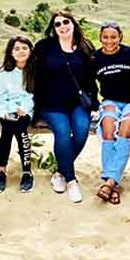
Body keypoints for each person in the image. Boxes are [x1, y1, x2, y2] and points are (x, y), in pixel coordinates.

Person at [33, 11, 98, 203]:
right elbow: (30, 70)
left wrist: (94, 103)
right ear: (53, 29)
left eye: (65, 22)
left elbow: (90, 79)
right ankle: (71, 181)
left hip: (77, 103)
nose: (62, 26)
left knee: (81, 130)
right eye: (57, 24)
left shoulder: (85, 47)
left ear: (73, 23)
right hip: (51, 103)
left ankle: (60, 172)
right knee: (62, 132)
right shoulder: (44, 47)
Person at [91, 21, 130, 205]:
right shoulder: (95, 58)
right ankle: (113, 184)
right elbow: (88, 84)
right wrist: (94, 104)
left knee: (125, 130)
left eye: (113, 36)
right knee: (109, 128)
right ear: (100, 38)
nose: (109, 40)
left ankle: (109, 183)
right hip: (110, 101)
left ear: (120, 37)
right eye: (105, 37)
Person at [0, 35, 36, 194]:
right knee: (6, 131)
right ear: (10, 52)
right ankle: (1, 171)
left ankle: (27, 171)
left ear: (30, 50)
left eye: (24, 48)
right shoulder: (2, 71)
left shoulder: (35, 70)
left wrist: (23, 109)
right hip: (6, 109)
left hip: (27, 109)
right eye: (16, 48)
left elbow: (34, 95)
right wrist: (5, 112)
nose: (21, 51)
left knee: (21, 131)